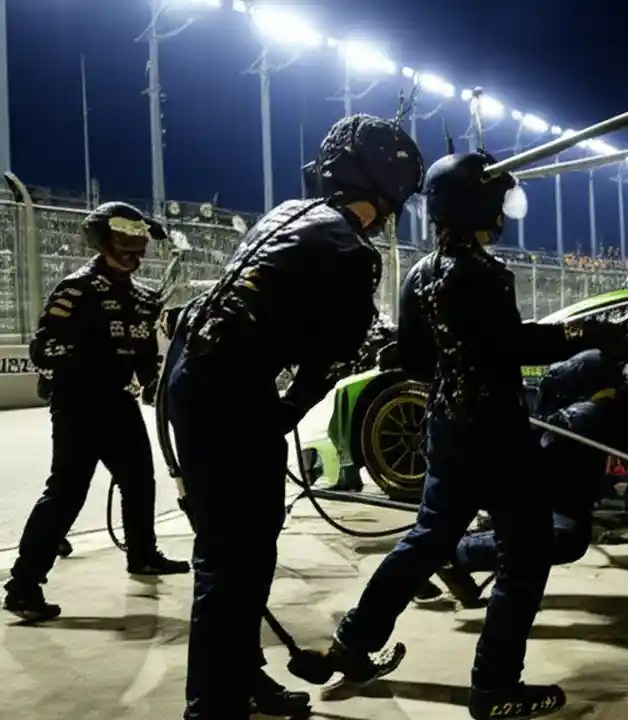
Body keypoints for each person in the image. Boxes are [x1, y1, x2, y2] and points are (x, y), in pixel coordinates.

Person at [323, 150, 626, 720]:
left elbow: (413, 358)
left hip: (446, 427)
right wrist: (588, 334)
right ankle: (494, 685)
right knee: (528, 553)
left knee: (427, 539)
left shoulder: (417, 275)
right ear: (479, 205)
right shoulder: (485, 274)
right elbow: (517, 347)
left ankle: (353, 641)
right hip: (496, 432)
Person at [164, 113, 424, 719]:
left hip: (192, 383)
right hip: (233, 399)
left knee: (241, 552)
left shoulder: (285, 212)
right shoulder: (352, 250)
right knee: (232, 561)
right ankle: (211, 707)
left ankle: (241, 676)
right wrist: (281, 416)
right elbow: (327, 361)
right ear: (389, 189)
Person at [4, 202, 189, 622]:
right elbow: (41, 347)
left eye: (139, 243)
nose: (133, 252)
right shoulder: (77, 288)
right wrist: (89, 359)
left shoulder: (143, 298)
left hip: (118, 404)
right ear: (103, 241)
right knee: (67, 491)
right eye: (124, 242)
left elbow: (145, 355)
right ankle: (23, 585)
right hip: (78, 403)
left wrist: (153, 383)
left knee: (140, 481)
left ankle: (142, 555)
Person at [416, 330, 628, 605]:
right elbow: (558, 398)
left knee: (547, 529)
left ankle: (453, 554)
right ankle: (454, 555)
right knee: (561, 536)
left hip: (564, 439)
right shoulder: (608, 384)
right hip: (555, 441)